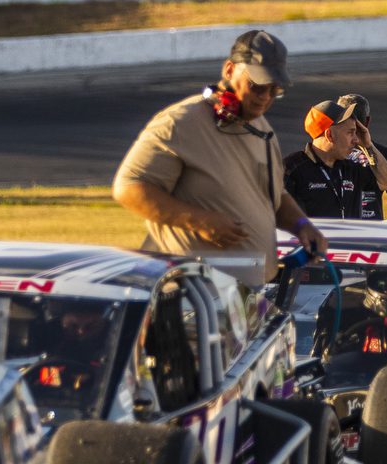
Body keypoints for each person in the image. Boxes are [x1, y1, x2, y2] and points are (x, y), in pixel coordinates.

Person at [113, 30, 325, 288]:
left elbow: (274, 196)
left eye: (274, 89)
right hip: (191, 297)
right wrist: (199, 221)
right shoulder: (180, 122)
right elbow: (129, 187)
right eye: (257, 85)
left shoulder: (262, 129)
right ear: (229, 70)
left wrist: (302, 224)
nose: (265, 97)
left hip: (247, 296)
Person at [284, 99, 385, 220]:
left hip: (349, 239)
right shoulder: (291, 169)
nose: (356, 139)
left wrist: (368, 146)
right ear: (329, 135)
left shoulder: (352, 165)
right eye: (350, 133)